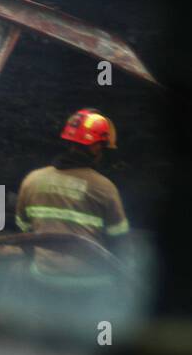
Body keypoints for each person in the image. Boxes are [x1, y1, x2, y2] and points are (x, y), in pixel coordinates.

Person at [15, 108, 131, 291]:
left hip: (43, 276)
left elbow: (23, 229)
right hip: (89, 282)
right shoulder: (104, 187)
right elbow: (118, 241)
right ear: (96, 146)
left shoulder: (33, 179)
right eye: (102, 146)